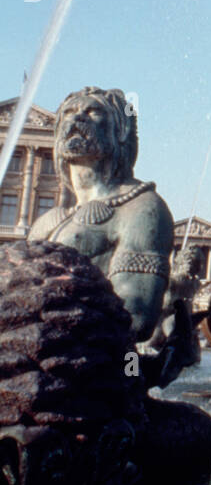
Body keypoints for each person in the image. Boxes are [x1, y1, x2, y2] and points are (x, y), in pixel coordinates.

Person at [28, 87, 173, 341]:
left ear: (120, 132)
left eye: (93, 112)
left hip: (90, 370)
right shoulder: (47, 220)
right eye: (69, 113)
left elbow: (135, 319)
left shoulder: (142, 208)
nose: (77, 118)